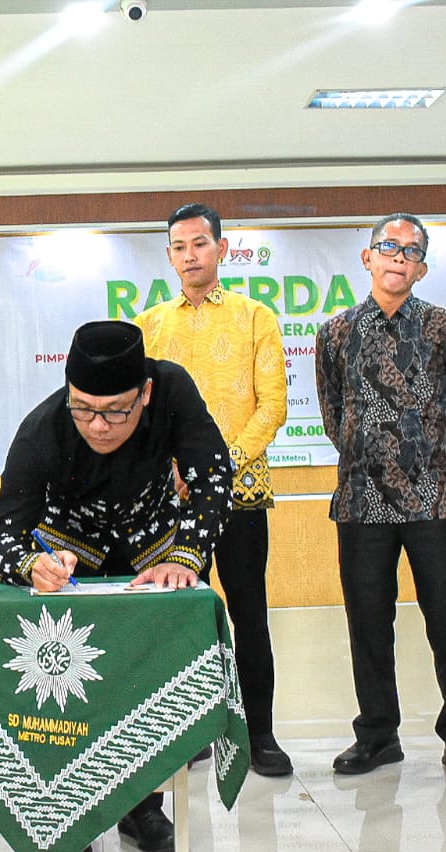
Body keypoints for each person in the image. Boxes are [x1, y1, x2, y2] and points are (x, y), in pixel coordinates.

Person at [0, 319, 232, 852]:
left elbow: (214, 477)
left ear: (144, 392)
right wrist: (32, 565)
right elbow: (2, 538)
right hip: (71, 563)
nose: (98, 426)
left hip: (154, 553)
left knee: (143, 684)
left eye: (116, 410)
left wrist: (186, 555)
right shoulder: (41, 431)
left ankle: (142, 807)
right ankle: (68, 812)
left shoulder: (173, 389)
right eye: (83, 408)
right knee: (67, 687)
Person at [314, 212, 446, 783]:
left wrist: (418, 451)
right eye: (387, 246)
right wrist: (371, 450)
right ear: (367, 257)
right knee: (368, 622)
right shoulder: (335, 333)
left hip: (435, 497)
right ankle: (378, 734)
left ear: (422, 267)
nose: (398, 256)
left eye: (410, 251)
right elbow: (332, 412)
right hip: (362, 501)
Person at [134, 203, 292, 778]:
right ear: (170, 255)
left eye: (200, 244)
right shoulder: (150, 324)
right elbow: (139, 412)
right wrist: (175, 467)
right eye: (179, 246)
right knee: (178, 616)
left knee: (250, 615)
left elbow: (273, 406)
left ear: (222, 250)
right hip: (170, 498)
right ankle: (185, 732)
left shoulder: (257, 317)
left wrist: (216, 467)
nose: (190, 255)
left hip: (241, 495)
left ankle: (262, 734)